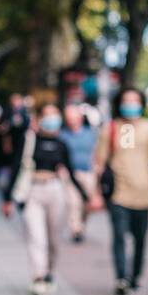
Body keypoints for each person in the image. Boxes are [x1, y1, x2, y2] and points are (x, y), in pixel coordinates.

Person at [90, 88, 148, 295]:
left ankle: (135, 277)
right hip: (118, 192)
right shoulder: (110, 129)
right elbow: (99, 162)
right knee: (119, 235)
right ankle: (121, 278)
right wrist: (96, 192)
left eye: (134, 101)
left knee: (140, 238)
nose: (130, 105)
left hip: (143, 193)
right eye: (126, 101)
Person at [3, 104, 91, 295]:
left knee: (53, 239)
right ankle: (38, 276)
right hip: (33, 190)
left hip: (55, 190)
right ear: (39, 119)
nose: (51, 121)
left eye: (54, 116)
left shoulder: (62, 144)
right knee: (36, 236)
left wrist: (85, 196)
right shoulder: (29, 141)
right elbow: (16, 167)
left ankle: (49, 272)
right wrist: (7, 198)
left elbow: (70, 171)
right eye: (47, 116)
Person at [59, 103, 98, 242]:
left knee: (87, 204)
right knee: (73, 202)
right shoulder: (63, 135)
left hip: (88, 172)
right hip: (70, 173)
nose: (71, 120)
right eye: (68, 117)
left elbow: (96, 152)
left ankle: (82, 224)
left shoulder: (91, 133)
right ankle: (76, 229)